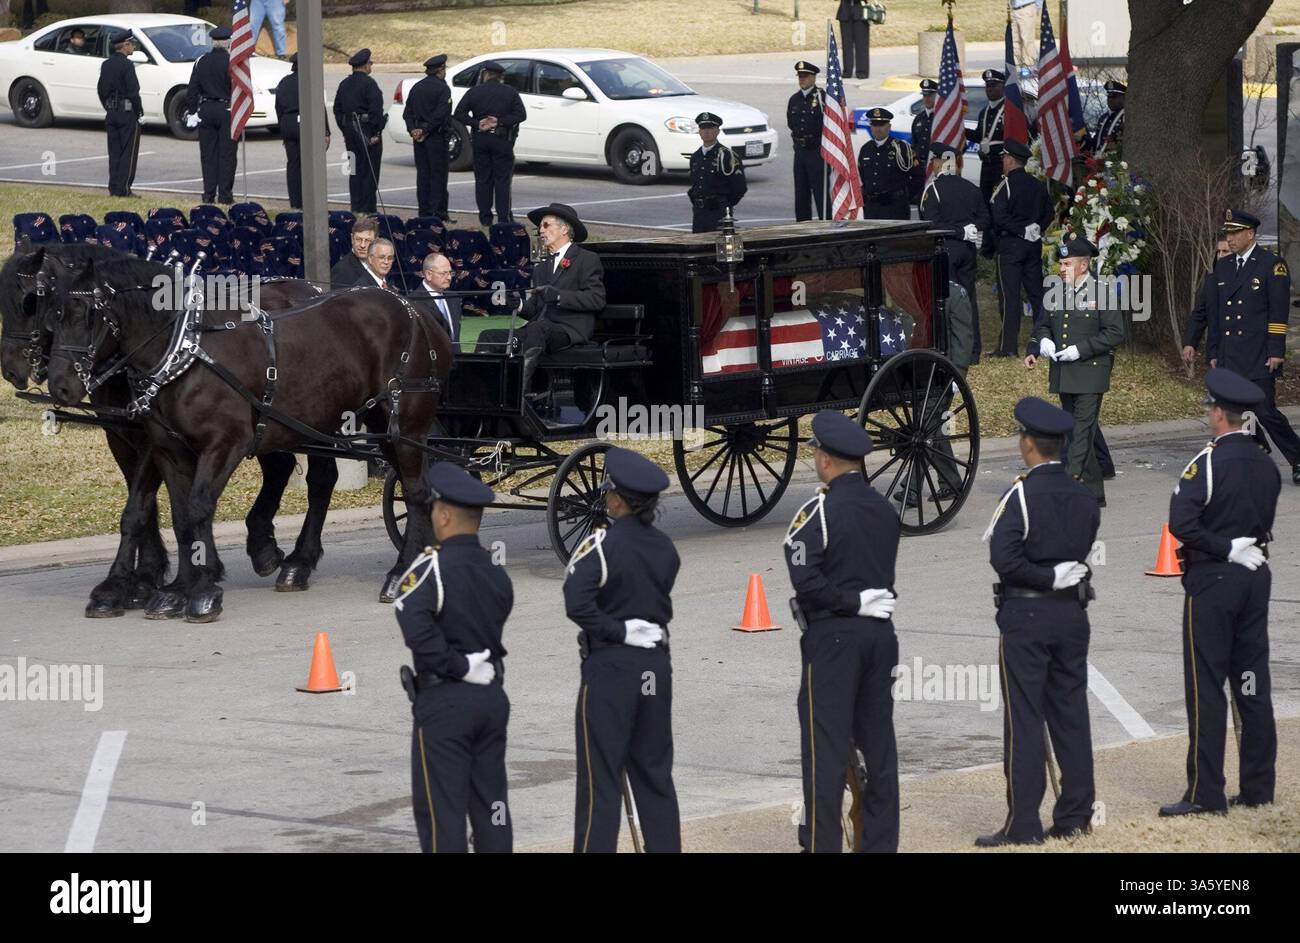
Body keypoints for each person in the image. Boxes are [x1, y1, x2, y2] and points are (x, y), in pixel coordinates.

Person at [977, 396, 1099, 846]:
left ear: (1029, 444)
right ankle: (1075, 815)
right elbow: (1083, 544)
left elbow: (1003, 558)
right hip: (1070, 613)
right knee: (1071, 715)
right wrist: (1057, 575)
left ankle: (1023, 823)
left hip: (1027, 615)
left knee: (1025, 720)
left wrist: (1043, 575)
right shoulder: (1082, 493)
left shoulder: (1021, 495)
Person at [1159, 369, 1280, 817]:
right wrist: (1238, 545)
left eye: (1210, 407)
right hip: (1254, 577)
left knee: (1207, 687)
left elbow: (1182, 524)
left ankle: (1205, 792)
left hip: (1214, 584)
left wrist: (1223, 547)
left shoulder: (1207, 463)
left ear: (1218, 415)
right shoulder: (1265, 463)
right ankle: (1258, 787)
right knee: (1251, 684)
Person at [784, 410, 900, 853]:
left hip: (834, 639)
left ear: (826, 460)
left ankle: (822, 843)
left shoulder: (820, 510)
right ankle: (880, 844)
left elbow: (804, 577)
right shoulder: (884, 510)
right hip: (879, 638)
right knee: (878, 746)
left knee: (825, 749)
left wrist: (849, 602)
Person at [564, 447, 682, 853]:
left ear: (616, 498)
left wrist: (615, 630)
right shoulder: (665, 547)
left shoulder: (600, 544)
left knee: (601, 784)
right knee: (655, 777)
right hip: (654, 668)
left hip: (611, 670)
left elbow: (576, 603)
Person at [394, 462, 513, 853]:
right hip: (491, 699)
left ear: (443, 515)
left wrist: (458, 666)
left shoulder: (431, 567)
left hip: (446, 701)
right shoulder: (496, 572)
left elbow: (416, 627)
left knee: (441, 812)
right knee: (491, 805)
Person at [1025, 237, 1124, 506]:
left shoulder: (1101, 291)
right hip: (1064, 373)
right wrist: (1040, 343)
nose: (1062, 268)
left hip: (1090, 373)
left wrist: (1081, 349)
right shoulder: (1057, 291)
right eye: (1061, 263)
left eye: (1067, 264)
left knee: (1080, 434)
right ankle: (1094, 492)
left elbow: (1115, 332)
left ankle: (1065, 490)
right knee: (1074, 432)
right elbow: (1043, 324)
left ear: (1083, 265)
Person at [1204, 209, 1300, 484]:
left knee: (1265, 411)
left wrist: (1276, 350)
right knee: (1234, 412)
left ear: (1250, 234)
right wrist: (1214, 351)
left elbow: (1278, 312)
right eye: (1227, 234)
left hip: (1259, 353)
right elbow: (1218, 313)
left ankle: (1297, 456)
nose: (1230, 239)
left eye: (1235, 233)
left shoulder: (1272, 265)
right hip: (1230, 353)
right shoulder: (1223, 266)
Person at [920, 143, 989, 361]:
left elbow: (930, 224)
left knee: (947, 300)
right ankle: (973, 350)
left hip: (946, 249)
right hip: (967, 250)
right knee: (969, 299)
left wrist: (959, 231)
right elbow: (985, 219)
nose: (933, 165)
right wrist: (969, 229)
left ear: (940, 162)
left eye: (935, 161)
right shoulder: (971, 188)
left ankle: (949, 349)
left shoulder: (934, 190)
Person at [989, 139, 1053, 357]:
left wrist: (1020, 229)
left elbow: (999, 217)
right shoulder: (1036, 184)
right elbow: (1049, 212)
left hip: (1010, 247)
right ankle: (1042, 342)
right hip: (1032, 247)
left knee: (1010, 298)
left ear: (1009, 160)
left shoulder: (1005, 185)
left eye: (1003, 158)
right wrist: (1036, 228)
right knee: (1036, 295)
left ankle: (1008, 347)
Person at [453, 61, 527, 227]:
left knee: (483, 180)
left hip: (481, 139)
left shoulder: (475, 91)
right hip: (502, 140)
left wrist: (476, 123)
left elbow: (459, 114)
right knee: (502, 180)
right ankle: (503, 218)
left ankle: (485, 218)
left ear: (486, 75)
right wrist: (499, 122)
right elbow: (521, 115)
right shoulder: (510, 92)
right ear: (501, 77)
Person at [185, 26, 238, 205]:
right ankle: (225, 194)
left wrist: (192, 111)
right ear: (227, 42)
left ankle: (208, 193)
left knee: (208, 154)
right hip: (226, 109)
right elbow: (237, 88)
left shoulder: (201, 61)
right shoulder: (232, 61)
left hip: (206, 109)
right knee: (227, 154)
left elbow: (192, 90)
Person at [274, 54, 330, 210]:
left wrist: (283, 128)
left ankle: (295, 201)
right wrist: (325, 130)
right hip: (305, 123)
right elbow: (319, 106)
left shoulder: (284, 82)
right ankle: (310, 200)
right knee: (310, 164)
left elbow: (278, 107)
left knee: (293, 164)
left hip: (287, 124)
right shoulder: (310, 81)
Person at [334, 49, 387, 215]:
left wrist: (345, 128)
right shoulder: (370, 84)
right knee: (370, 172)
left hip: (350, 133)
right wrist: (376, 131)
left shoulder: (344, 84)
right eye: (370, 63)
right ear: (365, 65)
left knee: (355, 170)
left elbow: (337, 109)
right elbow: (376, 111)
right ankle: (368, 208)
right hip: (366, 132)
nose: (371, 65)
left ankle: (355, 207)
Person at [406, 55, 454, 224]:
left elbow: (408, 113)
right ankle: (437, 213)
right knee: (438, 175)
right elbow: (441, 115)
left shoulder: (417, 87)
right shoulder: (442, 89)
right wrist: (426, 130)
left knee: (423, 175)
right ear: (440, 70)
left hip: (419, 139)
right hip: (435, 137)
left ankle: (424, 212)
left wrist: (414, 130)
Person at [97, 30, 143, 199]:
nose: (134, 46)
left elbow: (101, 89)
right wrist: (138, 112)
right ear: (125, 45)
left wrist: (108, 107)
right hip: (126, 113)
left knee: (114, 152)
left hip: (112, 113)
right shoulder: (127, 65)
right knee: (128, 153)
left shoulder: (106, 64)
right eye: (132, 43)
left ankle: (113, 187)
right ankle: (123, 188)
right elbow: (133, 92)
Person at [687, 113, 747, 233]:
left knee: (719, 247)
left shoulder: (726, 155)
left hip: (718, 212)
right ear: (699, 131)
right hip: (699, 213)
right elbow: (696, 183)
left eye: (710, 128)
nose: (706, 131)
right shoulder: (696, 157)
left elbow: (739, 187)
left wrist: (725, 205)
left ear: (717, 131)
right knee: (699, 245)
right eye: (703, 128)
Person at [1182, 232, 1233, 367]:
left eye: (1225, 251)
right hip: (1216, 353)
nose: (1221, 255)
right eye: (1218, 251)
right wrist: (1190, 343)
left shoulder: (1245, 280)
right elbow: (1200, 313)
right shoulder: (1212, 281)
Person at [856, 108, 913, 221]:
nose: (878, 128)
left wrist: (903, 197)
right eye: (875, 124)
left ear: (889, 126)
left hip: (895, 207)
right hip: (872, 208)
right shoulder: (865, 149)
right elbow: (862, 176)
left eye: (881, 124)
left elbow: (916, 176)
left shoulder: (901, 148)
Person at [787, 61, 826, 222]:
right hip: (800, 151)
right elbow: (791, 123)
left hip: (817, 152)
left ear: (813, 77)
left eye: (805, 76)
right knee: (801, 193)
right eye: (800, 76)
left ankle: (827, 225)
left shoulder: (823, 98)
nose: (802, 80)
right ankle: (802, 226)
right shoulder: (794, 99)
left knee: (821, 193)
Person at [967, 70, 1007, 204]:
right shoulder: (984, 112)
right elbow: (979, 136)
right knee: (985, 201)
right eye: (987, 86)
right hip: (986, 164)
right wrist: (961, 130)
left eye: (993, 85)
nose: (989, 89)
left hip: (1002, 165)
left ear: (1003, 87)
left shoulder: (1009, 111)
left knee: (999, 202)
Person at [410, 253, 460, 345]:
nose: (449, 277)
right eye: (443, 273)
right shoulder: (414, 301)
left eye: (450, 272)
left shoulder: (454, 298)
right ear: (428, 274)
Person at [908, 79, 938, 206]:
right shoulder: (919, 119)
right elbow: (915, 144)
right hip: (921, 171)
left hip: (937, 168)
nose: (927, 99)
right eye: (925, 95)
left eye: (930, 95)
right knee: (922, 205)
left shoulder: (942, 118)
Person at [329, 217, 378, 289]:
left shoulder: (380, 262)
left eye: (367, 240)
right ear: (352, 239)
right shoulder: (341, 272)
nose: (362, 245)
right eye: (358, 239)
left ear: (376, 241)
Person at [1088, 81, 1125, 158]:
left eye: (1114, 97)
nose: (1110, 100)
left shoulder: (1125, 118)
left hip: (1115, 162)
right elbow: (1098, 141)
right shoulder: (1104, 118)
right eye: (1109, 97)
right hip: (1098, 161)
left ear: (1124, 98)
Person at [835, 0, 871, 80]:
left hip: (861, 11)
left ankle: (862, 71)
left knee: (861, 44)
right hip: (845, 12)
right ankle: (847, 70)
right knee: (846, 44)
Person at [1009, 0, 1042, 76]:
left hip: (1027, 7)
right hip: (1013, 9)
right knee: (1014, 41)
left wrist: (1037, 6)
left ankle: (1027, 68)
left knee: (1027, 40)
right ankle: (1016, 67)